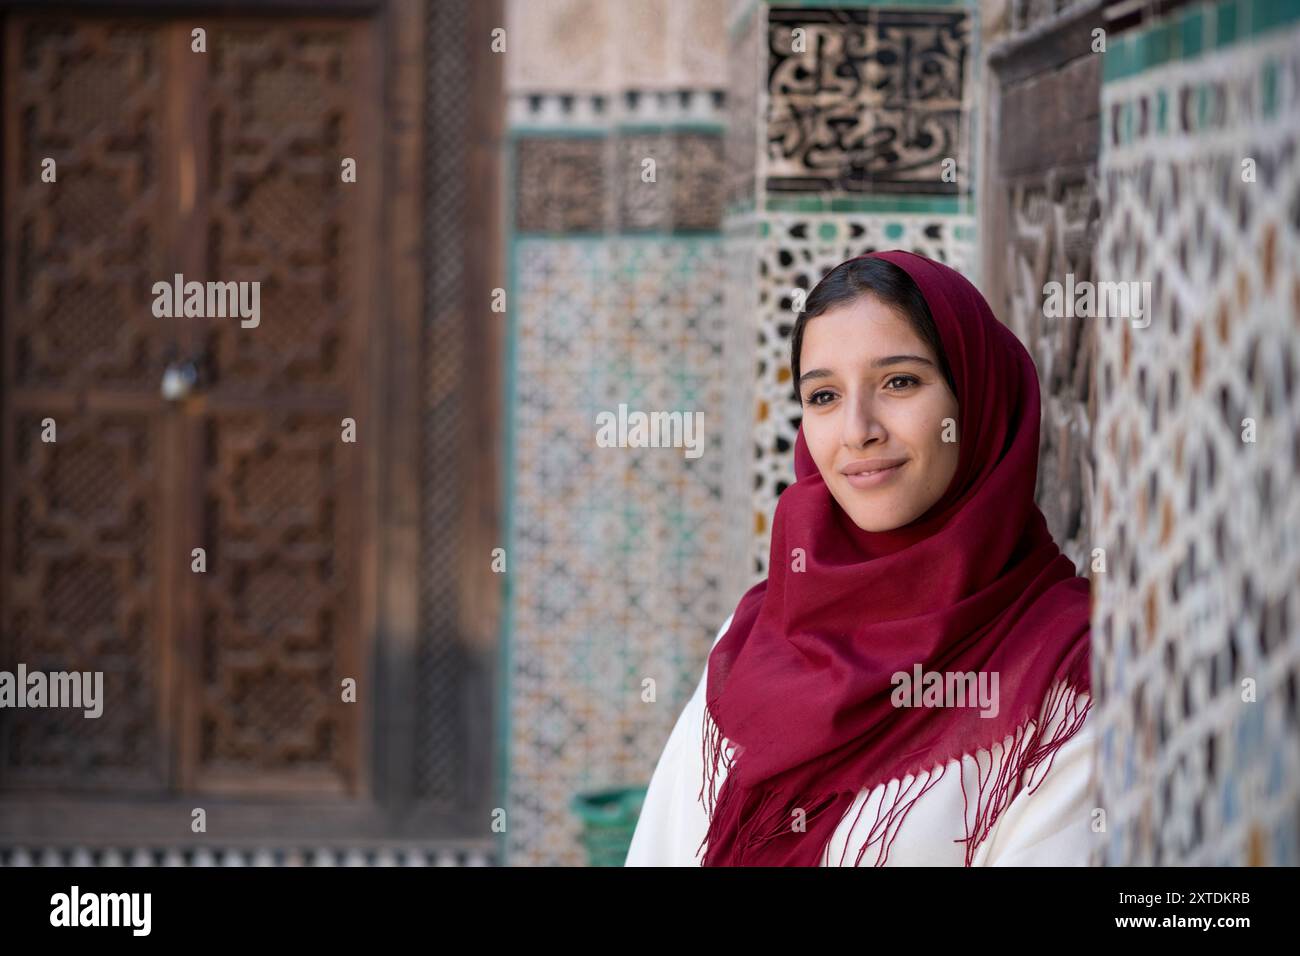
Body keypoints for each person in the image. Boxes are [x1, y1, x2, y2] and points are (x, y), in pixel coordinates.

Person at [625, 250, 1096, 866]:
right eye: (822, 395)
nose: (857, 429)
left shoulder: (1069, 670)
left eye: (900, 382)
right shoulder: (758, 634)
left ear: (976, 398)